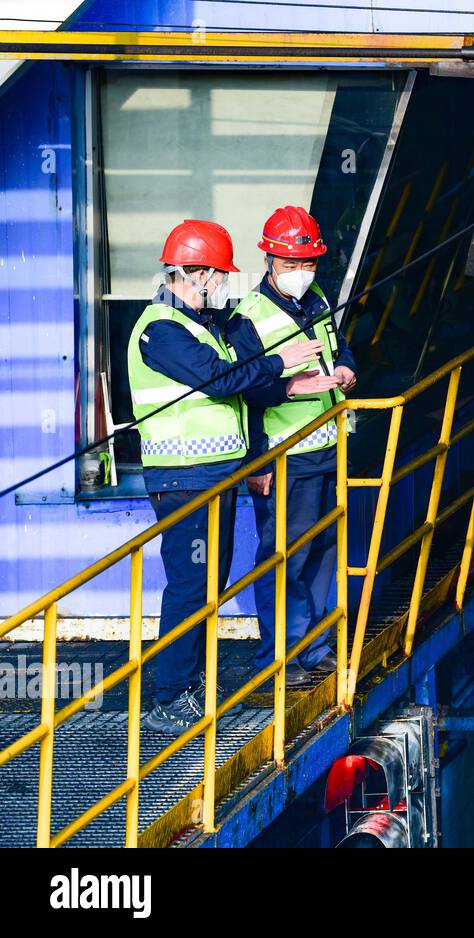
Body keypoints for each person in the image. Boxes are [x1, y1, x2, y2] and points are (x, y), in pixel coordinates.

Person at [128, 219, 337, 735]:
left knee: (208, 587)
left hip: (213, 477)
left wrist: (251, 460)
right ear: (190, 272)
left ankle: (189, 688)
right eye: (218, 274)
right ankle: (168, 698)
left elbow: (238, 392)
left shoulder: (203, 325)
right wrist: (280, 364)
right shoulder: (161, 330)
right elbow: (224, 382)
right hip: (183, 480)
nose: (223, 283)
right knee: (190, 587)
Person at [228, 207, 358, 688]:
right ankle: (277, 659)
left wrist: (345, 367)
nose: (302, 274)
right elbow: (242, 390)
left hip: (329, 442)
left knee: (323, 546)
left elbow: (339, 344)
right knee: (286, 553)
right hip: (286, 455)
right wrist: (290, 388)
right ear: (269, 262)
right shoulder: (248, 320)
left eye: (309, 264)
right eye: (291, 265)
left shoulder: (318, 299)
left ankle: (312, 648)